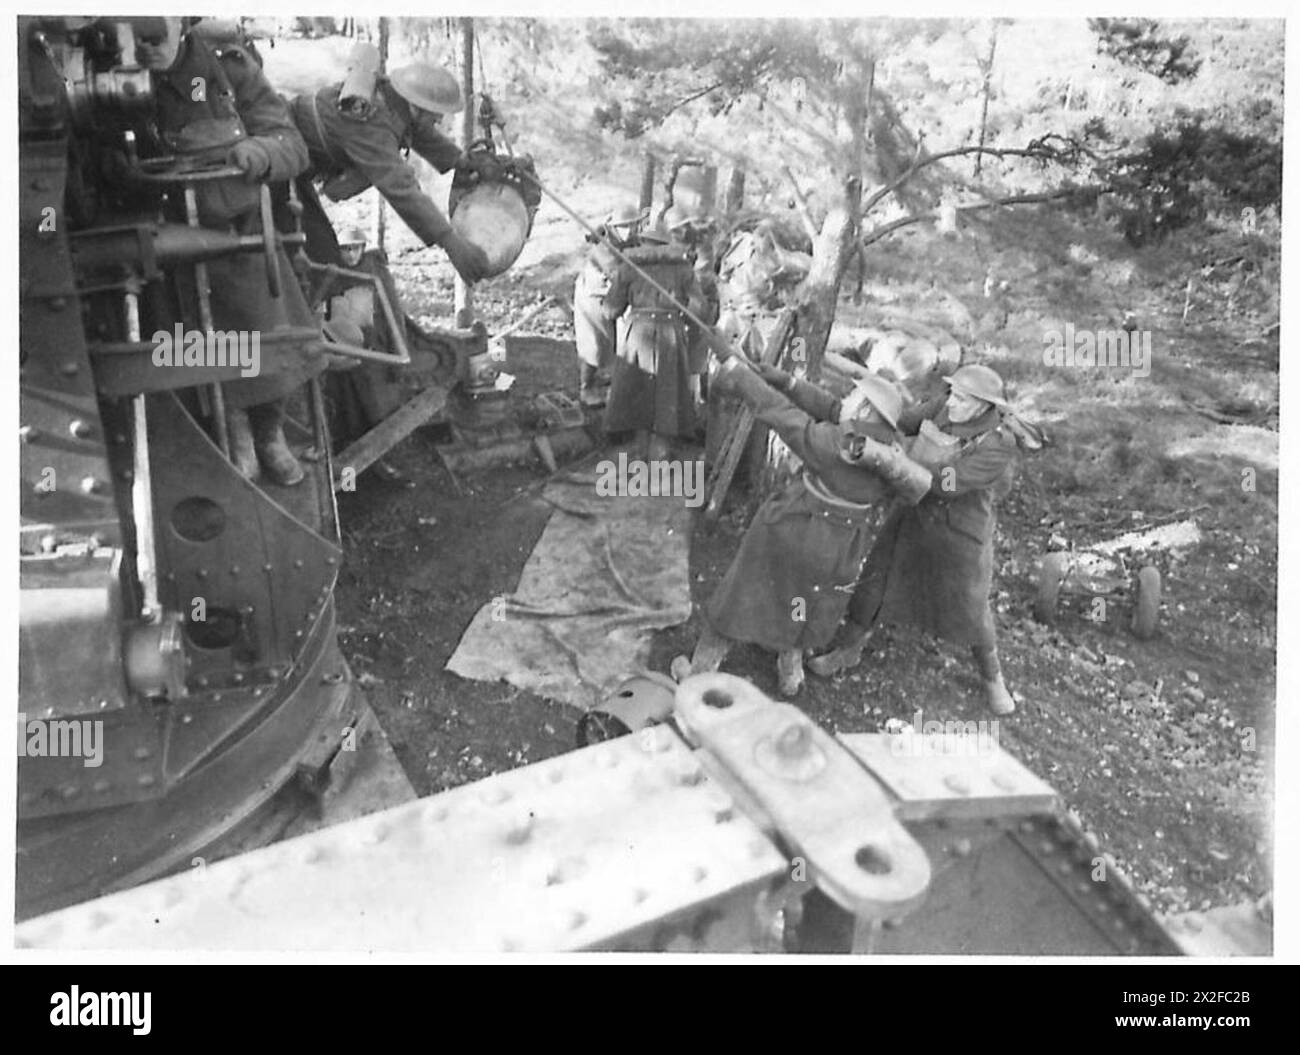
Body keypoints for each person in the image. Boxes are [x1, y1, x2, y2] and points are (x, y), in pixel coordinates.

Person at [670, 357, 931, 697]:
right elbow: (832, 407)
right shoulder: (890, 448)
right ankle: (790, 672)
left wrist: (739, 373)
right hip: (841, 546)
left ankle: (699, 673)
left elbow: (779, 413)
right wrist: (788, 382)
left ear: (865, 409)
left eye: (855, 396)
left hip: (794, 530)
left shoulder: (833, 443)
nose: (847, 399)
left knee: (741, 595)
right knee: (803, 601)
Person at [138, 17, 322, 486]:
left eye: (157, 37)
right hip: (165, 249)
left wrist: (258, 154)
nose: (147, 49)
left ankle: (269, 435)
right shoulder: (110, 76)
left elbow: (291, 144)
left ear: (182, 21)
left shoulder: (227, 68)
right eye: (137, 39)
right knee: (188, 353)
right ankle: (234, 436)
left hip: (238, 239)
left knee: (267, 345)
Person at [807, 364, 1021, 716]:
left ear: (985, 406)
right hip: (913, 514)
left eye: (964, 399)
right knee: (876, 580)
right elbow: (901, 422)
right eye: (953, 393)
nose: (953, 403)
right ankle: (848, 649)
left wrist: (892, 461)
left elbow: (948, 482)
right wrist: (858, 421)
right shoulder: (941, 406)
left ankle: (993, 678)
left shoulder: (997, 444)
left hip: (959, 532)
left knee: (970, 607)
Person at [287, 62, 492, 282]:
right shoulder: (371, 122)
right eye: (435, 113)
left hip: (295, 162)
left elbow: (417, 132)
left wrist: (459, 160)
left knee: (320, 258)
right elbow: (400, 187)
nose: (439, 120)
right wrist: (450, 240)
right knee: (319, 259)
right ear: (415, 106)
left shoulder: (392, 101)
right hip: (284, 163)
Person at [600, 209, 707, 461]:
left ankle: (640, 451)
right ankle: (662, 452)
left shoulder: (629, 267)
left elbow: (611, 309)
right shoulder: (683, 269)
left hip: (638, 333)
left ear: (643, 242)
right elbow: (699, 308)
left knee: (638, 389)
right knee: (667, 391)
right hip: (671, 333)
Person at [573, 206, 644, 407]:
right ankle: (586, 389)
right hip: (594, 295)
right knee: (594, 343)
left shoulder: (632, 240)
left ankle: (612, 379)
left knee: (620, 343)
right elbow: (617, 273)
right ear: (612, 227)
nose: (628, 231)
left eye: (632, 226)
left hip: (616, 294)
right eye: (623, 227)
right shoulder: (603, 247)